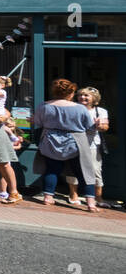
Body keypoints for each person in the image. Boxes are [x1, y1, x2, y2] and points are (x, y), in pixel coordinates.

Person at [33, 78, 99, 212]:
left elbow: (38, 123)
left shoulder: (44, 106)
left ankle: (48, 197)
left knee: (52, 170)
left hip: (51, 140)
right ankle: (91, 203)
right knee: (84, 172)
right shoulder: (80, 108)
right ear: (70, 93)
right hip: (76, 142)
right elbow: (90, 128)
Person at [67, 86, 109, 208]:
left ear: (94, 98)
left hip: (92, 144)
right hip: (74, 143)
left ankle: (98, 197)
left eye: (86, 95)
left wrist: (99, 125)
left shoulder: (100, 111)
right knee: (73, 169)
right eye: (80, 95)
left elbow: (105, 127)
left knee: (95, 170)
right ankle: (73, 195)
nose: (82, 97)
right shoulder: (72, 108)